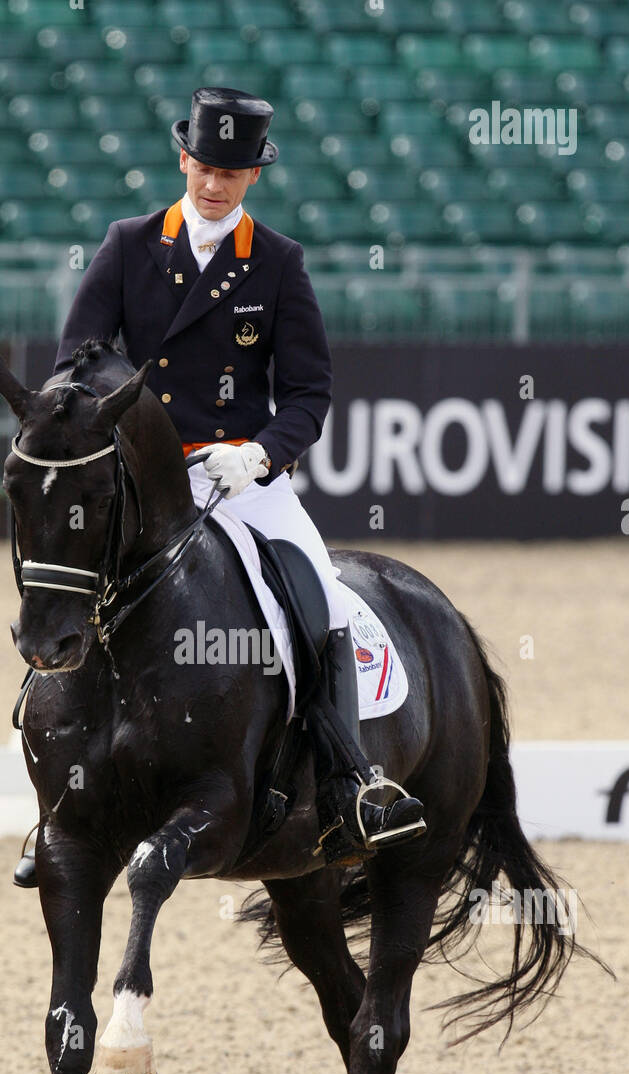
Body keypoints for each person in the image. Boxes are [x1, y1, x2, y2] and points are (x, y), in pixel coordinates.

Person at [53, 87, 424, 853]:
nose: (214, 183)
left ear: (253, 176)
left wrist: (258, 452)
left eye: (231, 171)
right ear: (182, 158)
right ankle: (59, 787)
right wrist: (116, 433)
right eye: (204, 165)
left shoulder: (277, 262)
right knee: (62, 579)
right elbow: (75, 361)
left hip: (239, 478)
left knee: (321, 598)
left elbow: (308, 391)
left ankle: (353, 781)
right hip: (139, 477)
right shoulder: (129, 244)